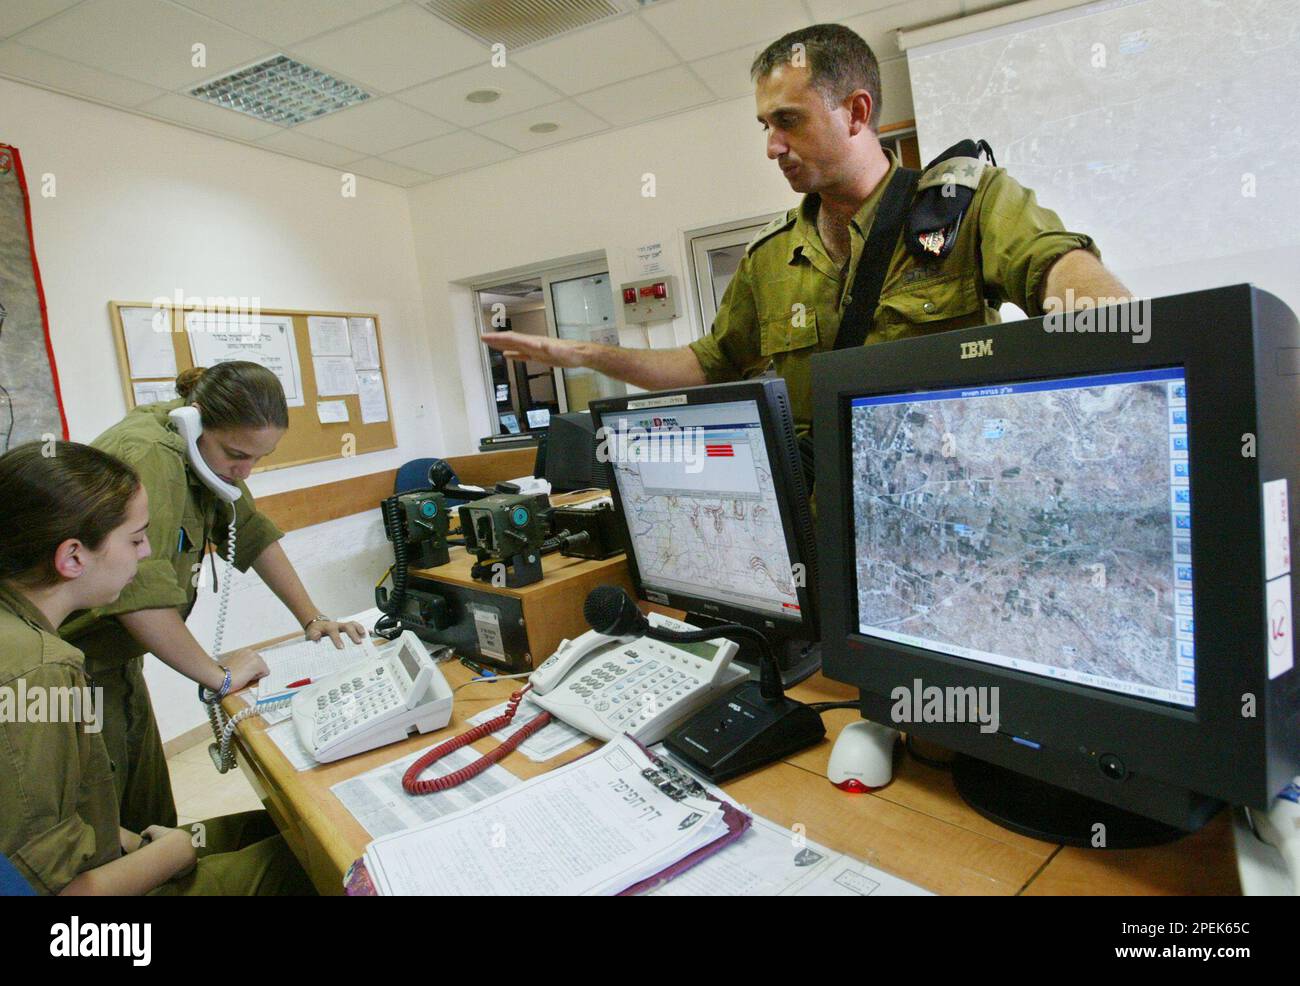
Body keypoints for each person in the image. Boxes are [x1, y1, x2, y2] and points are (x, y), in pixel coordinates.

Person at [481, 23, 1133, 439]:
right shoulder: (769, 261)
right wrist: (585, 356)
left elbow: (1061, 271)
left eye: (787, 121)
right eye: (764, 125)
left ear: (856, 112)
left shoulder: (969, 206)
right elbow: (705, 365)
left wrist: (1128, 360)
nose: (771, 146)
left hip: (946, 525)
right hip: (823, 533)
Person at [60, 361, 365, 832]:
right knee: (106, 825)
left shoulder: (204, 449)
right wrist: (219, 678)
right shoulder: (148, 455)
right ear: (196, 419)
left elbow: (251, 531)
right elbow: (138, 594)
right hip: (74, 666)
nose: (244, 471)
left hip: (118, 659)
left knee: (151, 815)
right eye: (237, 455)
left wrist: (312, 618)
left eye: (257, 460)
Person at [0, 441, 314, 894]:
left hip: (97, 855)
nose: (146, 552)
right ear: (72, 558)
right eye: (135, 539)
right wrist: (174, 853)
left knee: (277, 827)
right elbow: (57, 892)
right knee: (308, 860)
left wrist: (129, 841)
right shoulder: (39, 670)